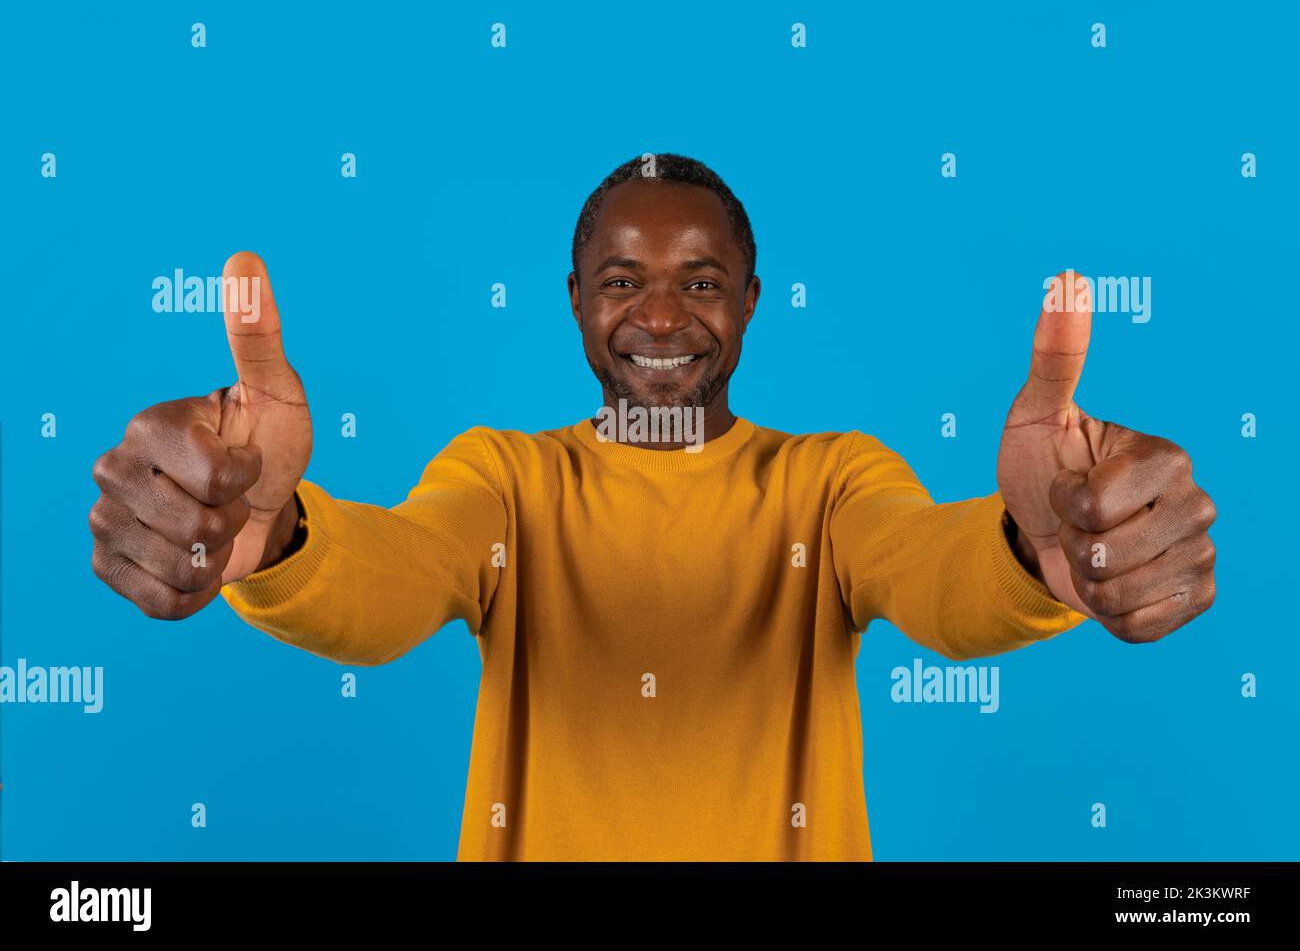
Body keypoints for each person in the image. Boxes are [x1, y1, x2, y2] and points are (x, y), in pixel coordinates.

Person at [89, 153, 1217, 860]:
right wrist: (269, 540)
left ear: (753, 303)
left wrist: (1042, 549)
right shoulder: (502, 477)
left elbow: (935, 572)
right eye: (623, 279)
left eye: (703, 280)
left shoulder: (832, 482)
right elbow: (385, 580)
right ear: (576, 302)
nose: (664, 315)